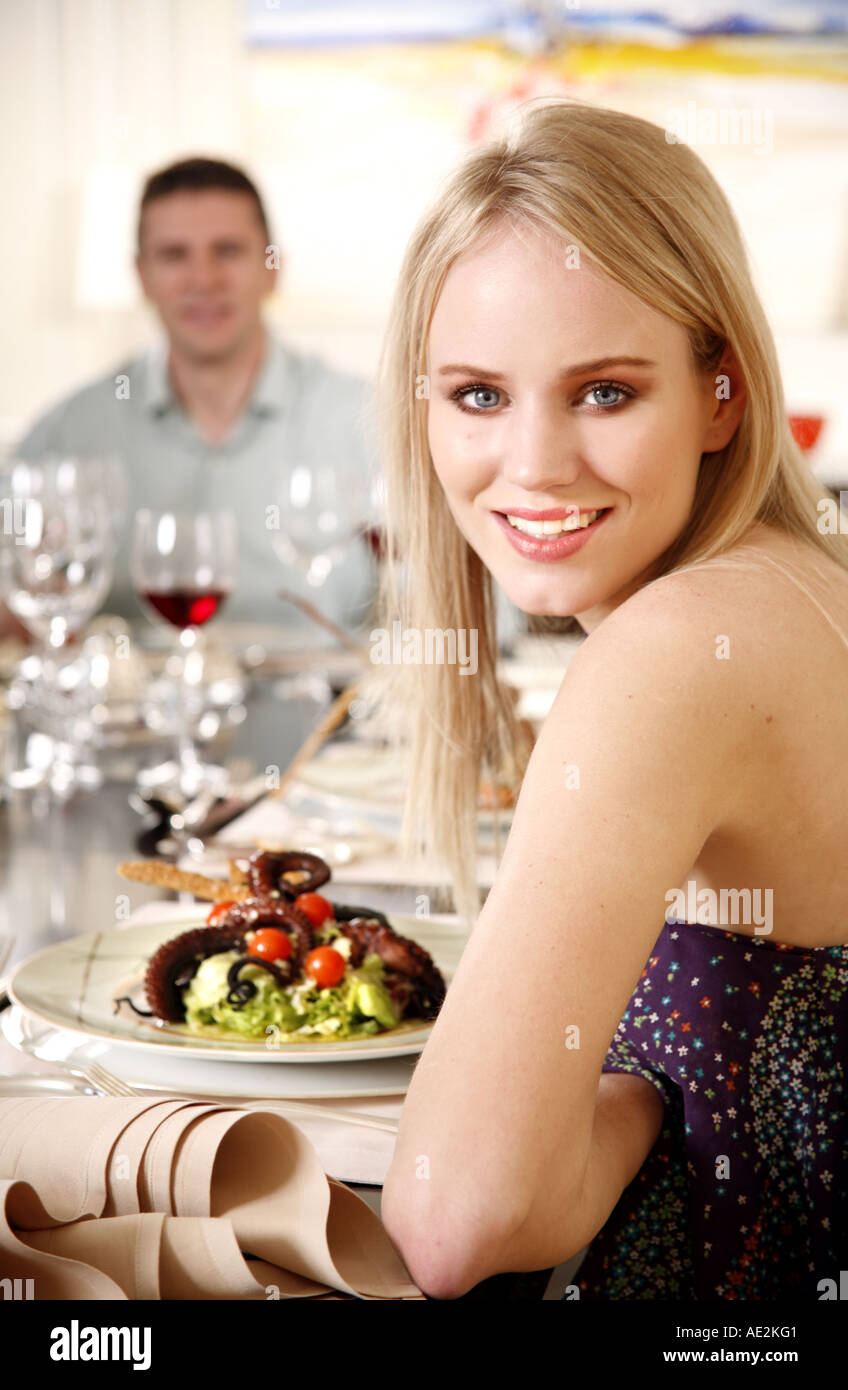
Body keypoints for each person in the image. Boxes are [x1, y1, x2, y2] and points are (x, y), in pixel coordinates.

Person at [376, 99, 848, 1300]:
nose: (534, 465)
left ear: (719, 394)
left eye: (602, 392)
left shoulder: (673, 651)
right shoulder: (800, 583)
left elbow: (455, 1218)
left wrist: (638, 1096)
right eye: (477, 395)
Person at [4, 157, 378, 637]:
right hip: (130, 686)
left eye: (227, 251)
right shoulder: (70, 432)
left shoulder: (367, 421)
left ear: (273, 269)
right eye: (174, 255)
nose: (203, 279)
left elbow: (442, 601)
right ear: (142, 276)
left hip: (327, 685)